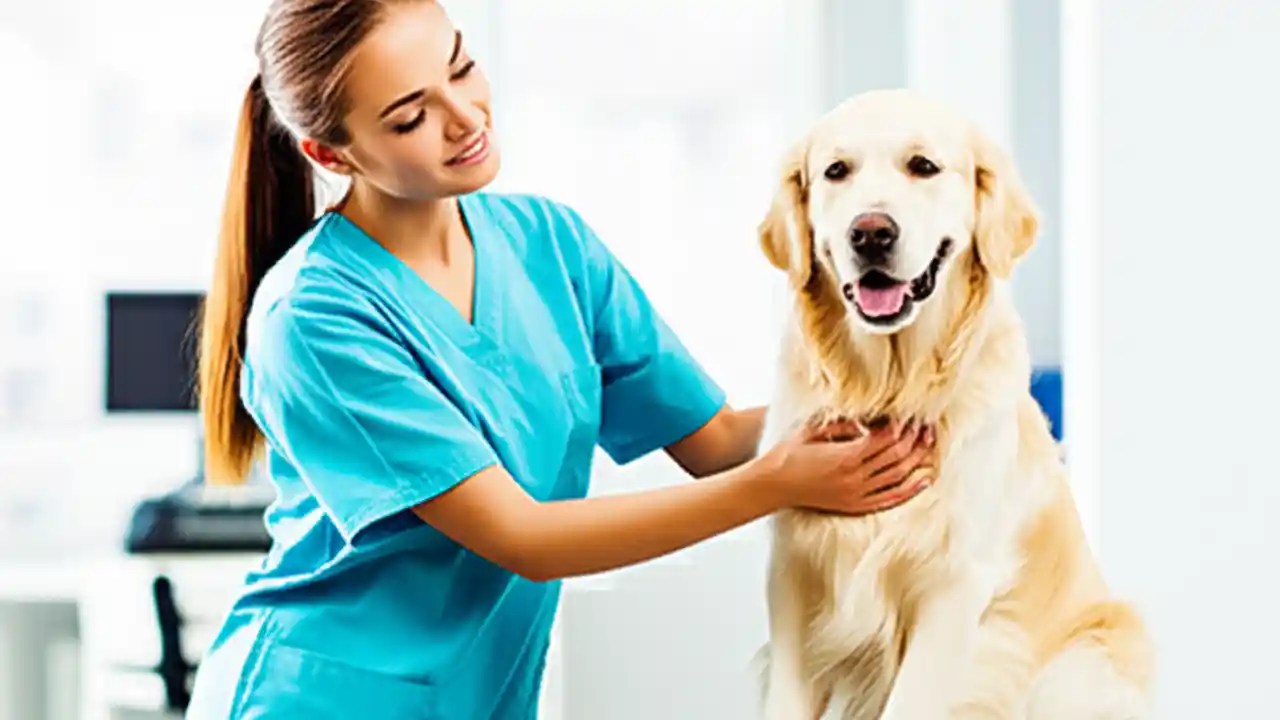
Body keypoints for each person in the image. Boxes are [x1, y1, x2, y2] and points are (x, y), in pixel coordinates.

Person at [186, 1, 937, 717]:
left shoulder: (551, 244)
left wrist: (893, 406)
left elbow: (713, 443)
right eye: (412, 116)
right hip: (318, 698)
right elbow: (525, 538)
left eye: (462, 67)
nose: (465, 117)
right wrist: (780, 483)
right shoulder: (315, 315)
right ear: (329, 151)